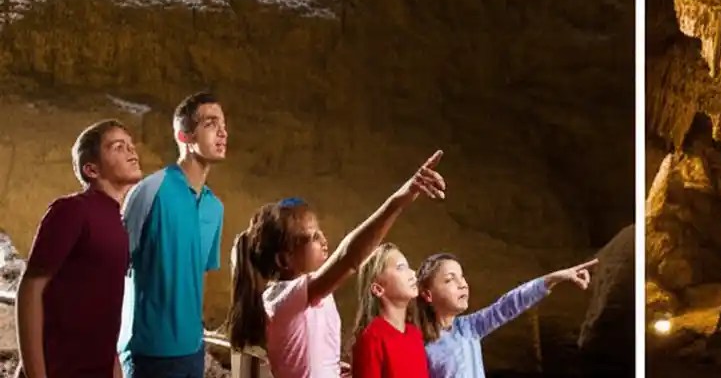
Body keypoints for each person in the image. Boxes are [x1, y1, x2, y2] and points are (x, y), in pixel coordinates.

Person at [226, 151, 446, 377]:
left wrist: (330, 368)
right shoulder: (284, 298)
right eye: (312, 237)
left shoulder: (313, 296)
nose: (323, 240)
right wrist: (401, 198)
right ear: (284, 259)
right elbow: (349, 257)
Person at [16, 120, 143, 378]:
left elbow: (106, 311)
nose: (131, 152)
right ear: (91, 169)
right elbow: (30, 290)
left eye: (131, 146)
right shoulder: (72, 210)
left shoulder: (119, 226)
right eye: (118, 147)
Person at [119, 92, 228, 378]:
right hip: (148, 353)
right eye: (210, 123)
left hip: (192, 350)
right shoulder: (149, 192)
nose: (223, 132)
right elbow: (114, 268)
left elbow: (199, 276)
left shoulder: (214, 208)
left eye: (223, 124)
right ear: (185, 136)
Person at [416, 254, 599, 378]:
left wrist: (554, 278)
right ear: (427, 294)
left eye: (462, 276)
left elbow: (508, 305)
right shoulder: (419, 343)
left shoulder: (468, 328)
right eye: (449, 279)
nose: (462, 284)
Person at [349, 243, 429, 378]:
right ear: (378, 289)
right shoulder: (373, 338)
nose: (413, 274)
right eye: (400, 268)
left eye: (408, 267)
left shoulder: (414, 334)